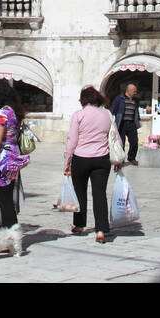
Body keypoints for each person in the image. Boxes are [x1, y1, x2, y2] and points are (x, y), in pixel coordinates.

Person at [63, 86, 118, 243]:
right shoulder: (107, 114)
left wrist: (67, 160)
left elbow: (72, 140)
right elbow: (115, 136)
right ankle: (100, 229)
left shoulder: (78, 115)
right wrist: (118, 159)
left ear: (83, 99)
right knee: (99, 194)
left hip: (81, 157)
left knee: (80, 193)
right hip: (102, 158)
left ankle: (79, 225)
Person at [0, 81, 30, 228]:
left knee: (4, 201)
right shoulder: (12, 111)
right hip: (12, 157)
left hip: (3, 160)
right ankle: (10, 233)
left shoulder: (2, 113)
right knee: (7, 199)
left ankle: (10, 233)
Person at [110, 82, 142, 166]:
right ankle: (121, 159)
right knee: (121, 142)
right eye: (134, 91)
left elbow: (136, 111)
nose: (135, 93)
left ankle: (131, 158)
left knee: (134, 141)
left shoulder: (134, 100)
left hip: (131, 123)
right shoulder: (119, 99)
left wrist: (138, 120)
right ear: (129, 91)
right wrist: (112, 122)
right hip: (121, 123)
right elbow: (112, 110)